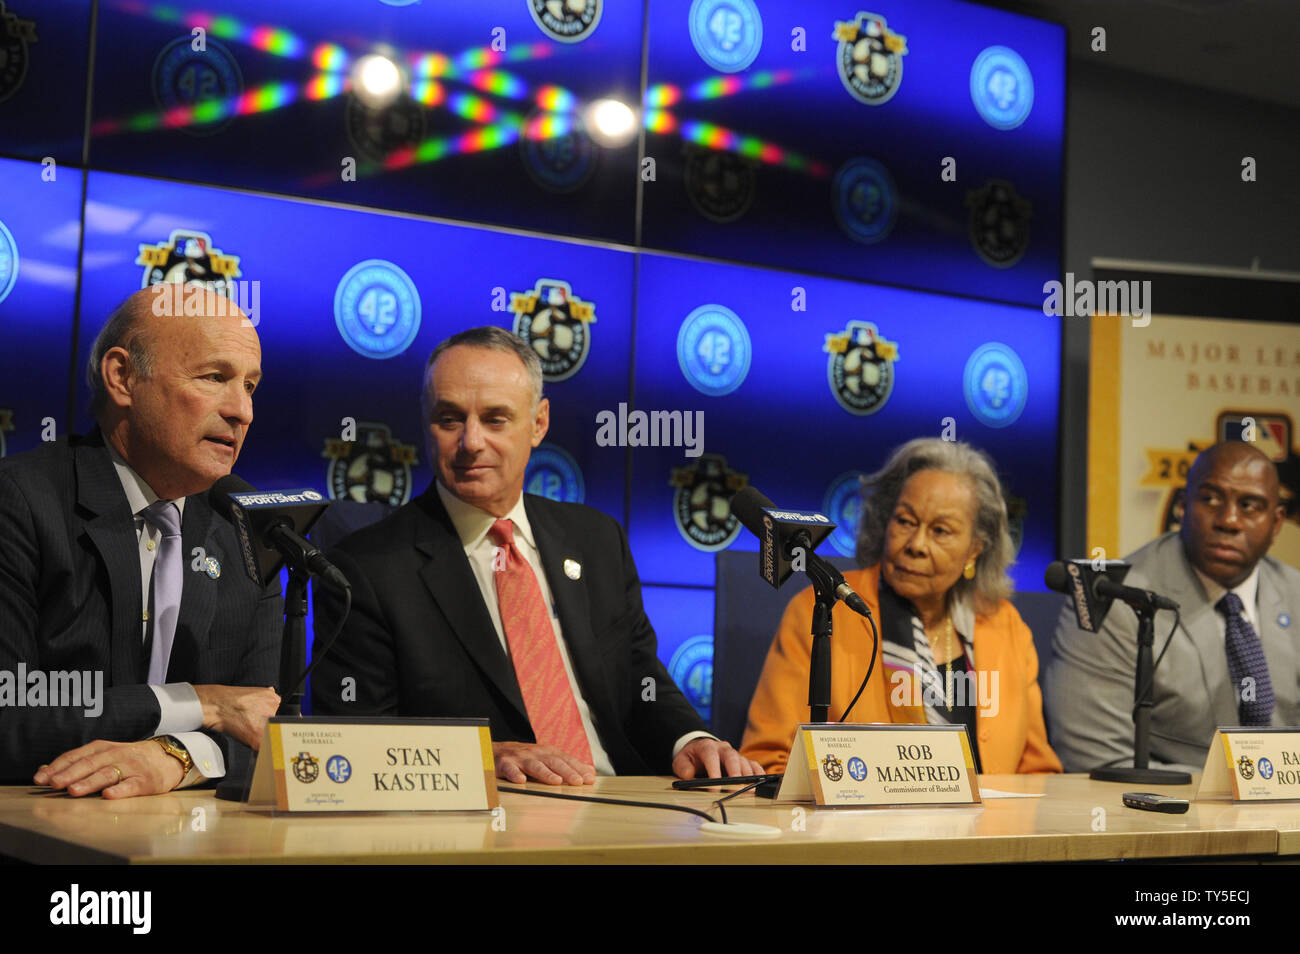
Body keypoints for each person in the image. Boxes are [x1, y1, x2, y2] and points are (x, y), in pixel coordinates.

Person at [312, 326, 761, 784]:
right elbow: (355, 741)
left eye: (495, 419)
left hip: (622, 802)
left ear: (539, 423)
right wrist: (482, 756)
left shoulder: (597, 539)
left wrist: (692, 740)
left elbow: (640, 679)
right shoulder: (366, 569)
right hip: (487, 821)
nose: (470, 442)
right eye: (449, 419)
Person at [0, 285, 281, 798]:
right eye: (215, 377)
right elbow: (8, 717)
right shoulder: (20, 502)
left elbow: (269, 730)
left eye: (251, 387)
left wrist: (178, 755)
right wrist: (201, 703)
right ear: (122, 377)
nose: (243, 411)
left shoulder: (246, 523)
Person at [741, 438, 1061, 775]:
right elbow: (768, 761)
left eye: (940, 531)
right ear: (885, 523)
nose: (916, 545)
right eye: (906, 522)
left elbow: (1038, 775)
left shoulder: (1006, 626)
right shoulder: (820, 610)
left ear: (975, 550)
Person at [1045, 441, 1298, 773]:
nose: (1229, 520)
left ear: (1276, 523)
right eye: (1210, 499)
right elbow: (1096, 759)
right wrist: (1239, 788)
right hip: (1167, 818)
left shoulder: (1294, 594)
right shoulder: (1113, 600)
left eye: (1250, 506)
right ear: (1182, 506)